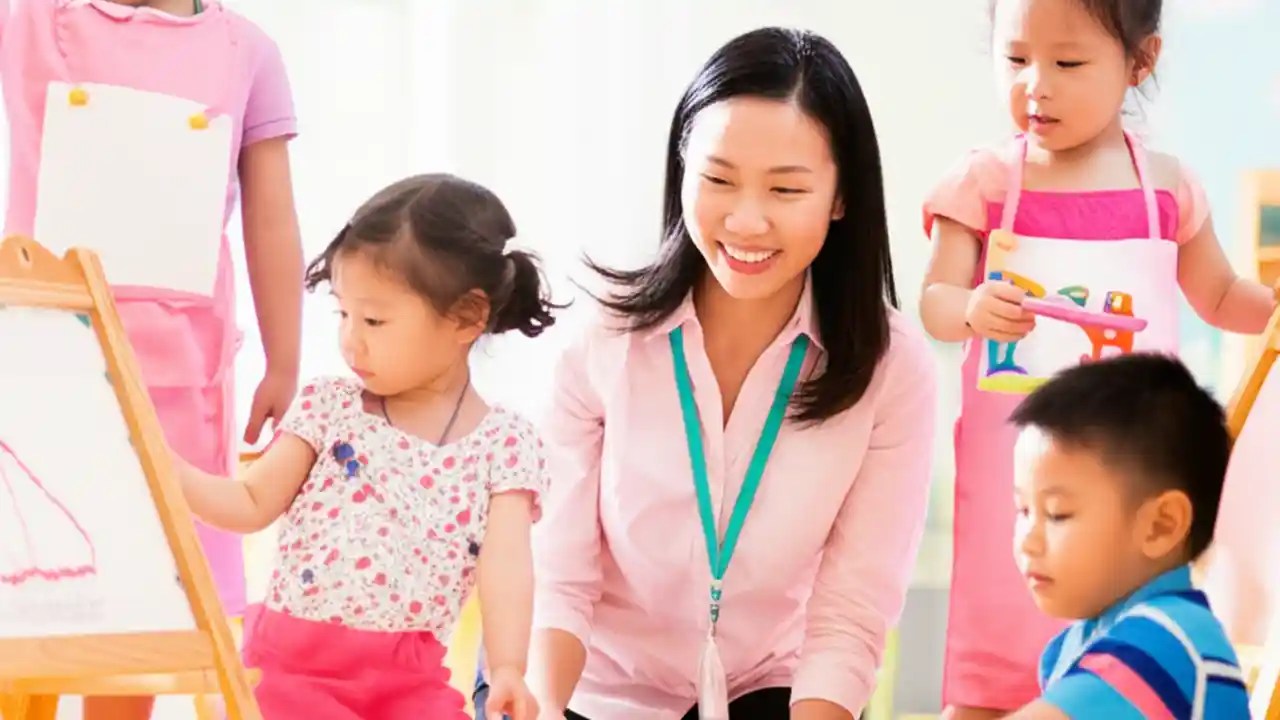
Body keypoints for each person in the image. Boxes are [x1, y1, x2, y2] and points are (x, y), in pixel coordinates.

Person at [525, 26, 937, 720]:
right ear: (682, 169)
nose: (746, 221)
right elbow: (557, 585)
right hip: (594, 685)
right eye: (717, 179)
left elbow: (849, 616)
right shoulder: (601, 341)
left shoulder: (891, 370)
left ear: (841, 198)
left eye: (786, 190)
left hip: (774, 688)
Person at [918, 0, 1276, 716]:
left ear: (1141, 62)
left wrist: (1269, 309)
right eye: (1016, 60)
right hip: (1015, 485)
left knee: (1124, 646)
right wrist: (969, 308)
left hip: (1125, 479)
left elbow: (1221, 295)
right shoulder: (985, 181)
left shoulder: (1166, 188)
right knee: (990, 662)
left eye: (1069, 63)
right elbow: (934, 301)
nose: (1035, 85)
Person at [0, 2, 303, 717]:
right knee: (27, 570)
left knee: (146, 594)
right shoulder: (33, 21)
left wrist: (284, 359)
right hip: (42, 359)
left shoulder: (246, 52)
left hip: (177, 375)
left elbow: (271, 215)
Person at [172, 174, 558, 720]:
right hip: (289, 672)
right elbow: (250, 502)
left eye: (374, 320)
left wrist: (508, 669)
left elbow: (507, 570)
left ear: (468, 317)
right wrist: (166, 472)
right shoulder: (330, 407)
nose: (351, 339)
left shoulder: (504, 444)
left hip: (409, 685)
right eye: (344, 314)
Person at [1003, 353, 1250, 719]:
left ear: (1160, 525)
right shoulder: (1084, 640)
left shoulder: (1165, 641)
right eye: (1023, 511)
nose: (1028, 541)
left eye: (1058, 514)